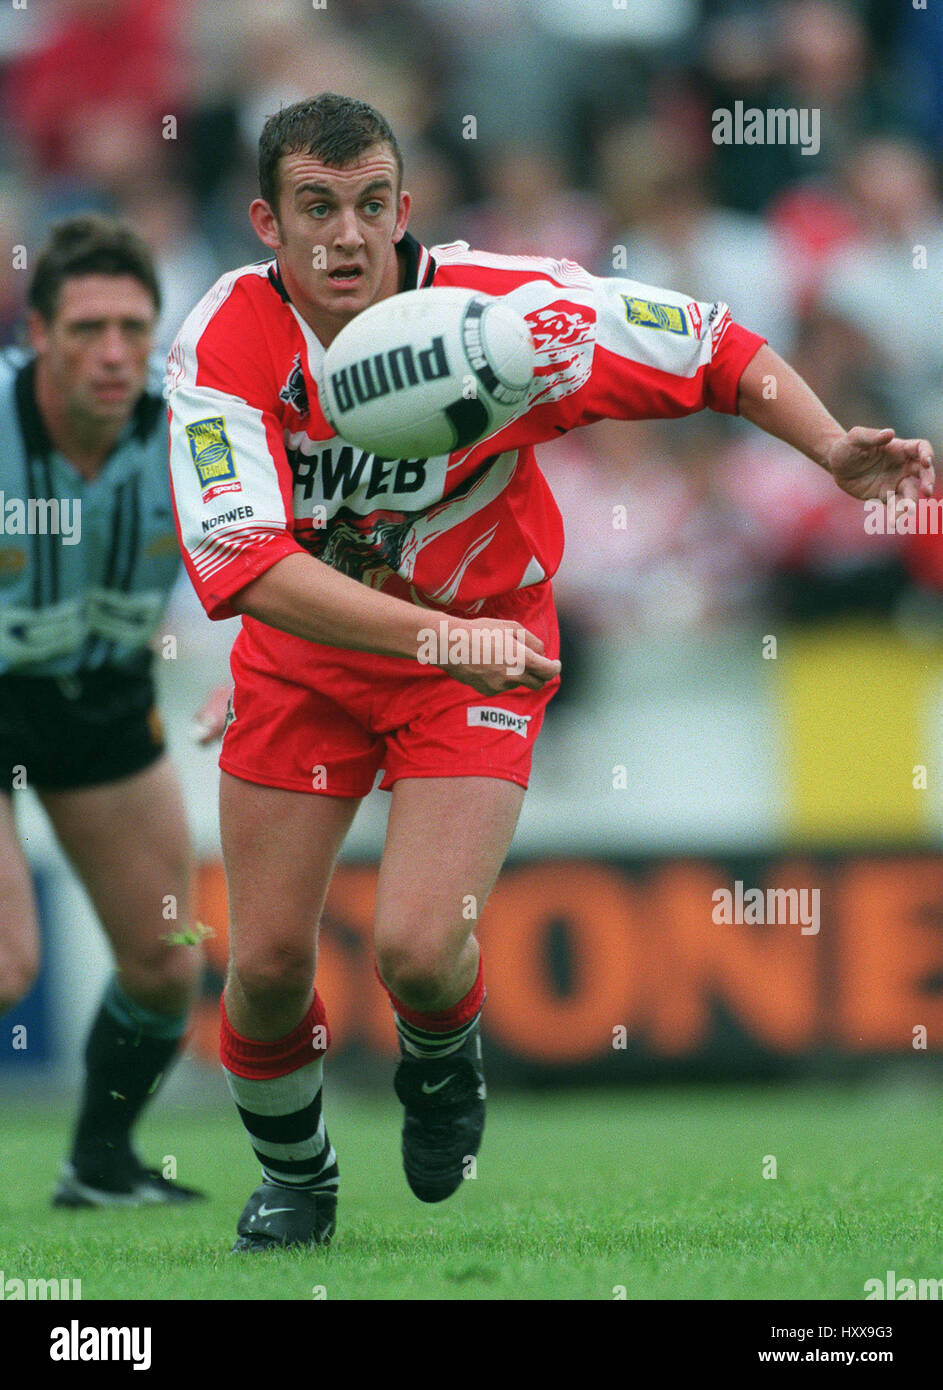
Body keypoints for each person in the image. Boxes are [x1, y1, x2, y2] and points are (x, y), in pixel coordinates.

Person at [165, 94, 935, 1251]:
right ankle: (299, 1177)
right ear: (264, 223)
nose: (346, 235)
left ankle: (441, 1053)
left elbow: (708, 342)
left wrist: (829, 443)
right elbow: (246, 562)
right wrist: (429, 637)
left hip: (481, 641)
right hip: (315, 657)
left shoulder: (504, 315)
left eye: (371, 204)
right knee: (267, 963)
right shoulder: (220, 342)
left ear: (404, 210)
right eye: (315, 208)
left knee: (422, 948)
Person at [0, 215, 208, 1207]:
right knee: (7, 963)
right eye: (88, 329)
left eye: (135, 326)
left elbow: (293, 554)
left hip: (106, 696)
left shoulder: (199, 431)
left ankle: (100, 1163)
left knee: (167, 958)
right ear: (37, 333)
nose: (115, 351)